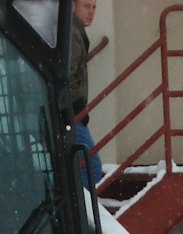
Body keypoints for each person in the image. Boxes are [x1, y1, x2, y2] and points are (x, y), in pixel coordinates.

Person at [69, 0, 103, 187]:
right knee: (91, 167)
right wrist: (77, 106)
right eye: (86, 6)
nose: (91, 12)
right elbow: (67, 74)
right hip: (70, 112)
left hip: (69, 112)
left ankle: (79, 208)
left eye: (94, 7)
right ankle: (82, 213)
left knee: (82, 165)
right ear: (72, 6)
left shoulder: (73, 29)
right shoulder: (72, 33)